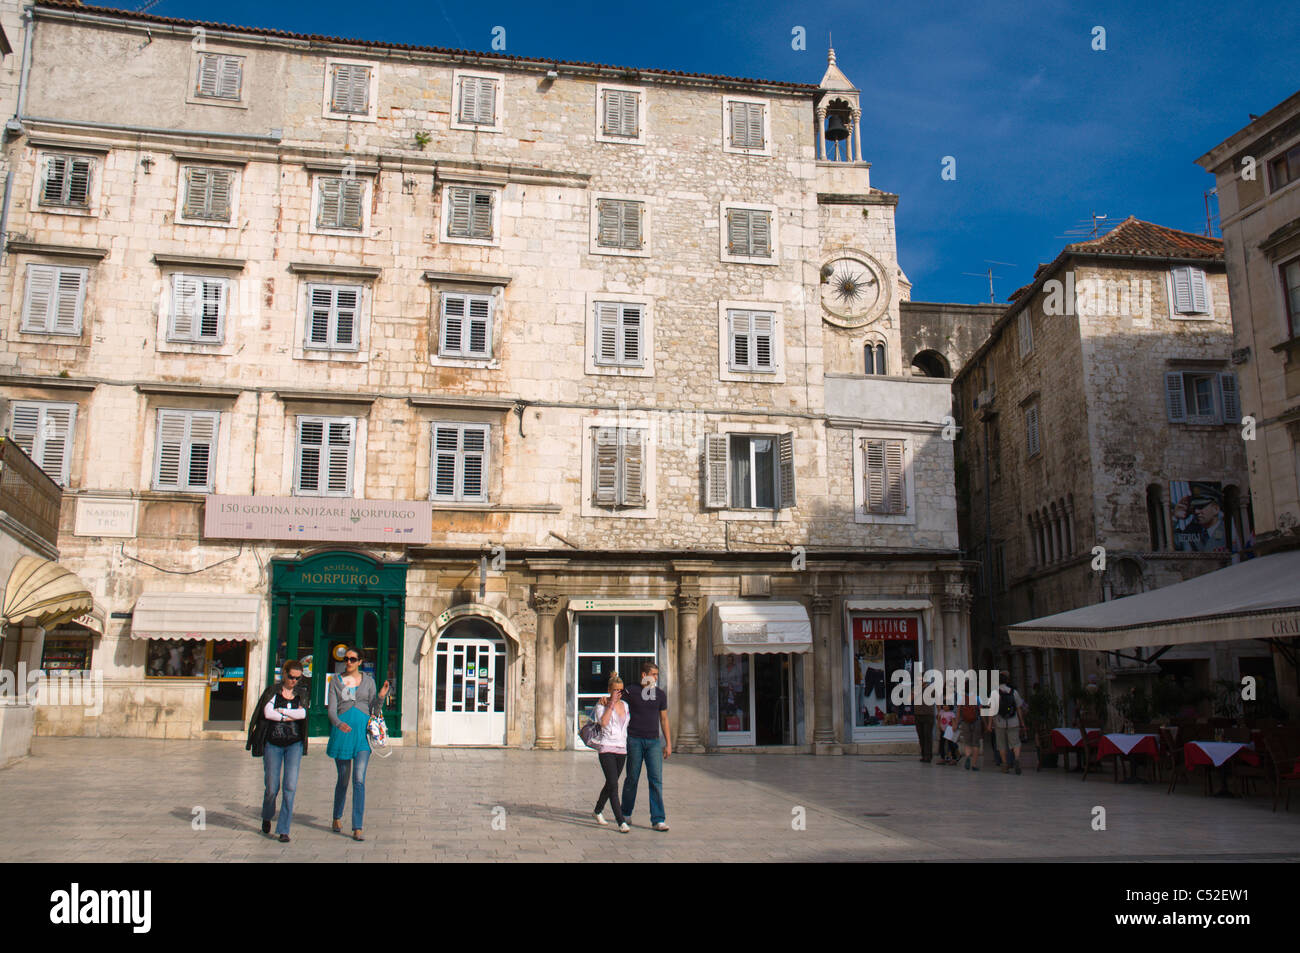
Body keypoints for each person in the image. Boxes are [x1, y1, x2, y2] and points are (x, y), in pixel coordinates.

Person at [326, 645, 390, 841]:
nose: (348, 662)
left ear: (360, 661)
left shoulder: (368, 682)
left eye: (353, 659)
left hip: (362, 735)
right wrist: (338, 723)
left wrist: (381, 696)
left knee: (359, 780)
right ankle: (337, 816)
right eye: (346, 659)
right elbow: (332, 709)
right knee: (343, 779)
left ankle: (357, 826)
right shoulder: (335, 681)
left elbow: (375, 711)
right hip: (343, 734)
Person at [607, 660, 671, 831]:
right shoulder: (631, 691)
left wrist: (669, 744)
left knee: (656, 780)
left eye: (657, 675)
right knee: (632, 778)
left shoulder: (660, 694)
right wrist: (603, 701)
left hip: (653, 742)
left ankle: (658, 819)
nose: (656, 678)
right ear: (644, 675)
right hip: (634, 740)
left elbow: (664, 719)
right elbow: (615, 701)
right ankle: (626, 813)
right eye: (654, 674)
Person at [256, 660, 308, 842]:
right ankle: (267, 815)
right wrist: (290, 714)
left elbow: (303, 714)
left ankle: (284, 829)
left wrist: (282, 713)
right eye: (291, 676)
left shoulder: (301, 694)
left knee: (290, 786)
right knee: (272, 787)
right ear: (284, 674)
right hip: (273, 743)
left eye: (297, 678)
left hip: (294, 743)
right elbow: (267, 713)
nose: (293, 681)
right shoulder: (273, 692)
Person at [591, 672, 631, 833]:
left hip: (621, 748)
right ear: (609, 690)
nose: (618, 693)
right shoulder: (601, 705)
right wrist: (611, 704)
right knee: (614, 785)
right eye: (615, 690)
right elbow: (604, 722)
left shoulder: (626, 705)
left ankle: (597, 810)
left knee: (610, 783)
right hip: (606, 747)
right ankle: (621, 821)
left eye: (620, 690)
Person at [992, 670, 1027, 775]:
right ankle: (1016, 758)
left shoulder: (994, 693)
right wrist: (1022, 723)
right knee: (1015, 742)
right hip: (1013, 721)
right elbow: (1019, 708)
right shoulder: (1014, 692)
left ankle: (1005, 764)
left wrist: (991, 723)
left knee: (1001, 744)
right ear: (1007, 680)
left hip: (999, 722)